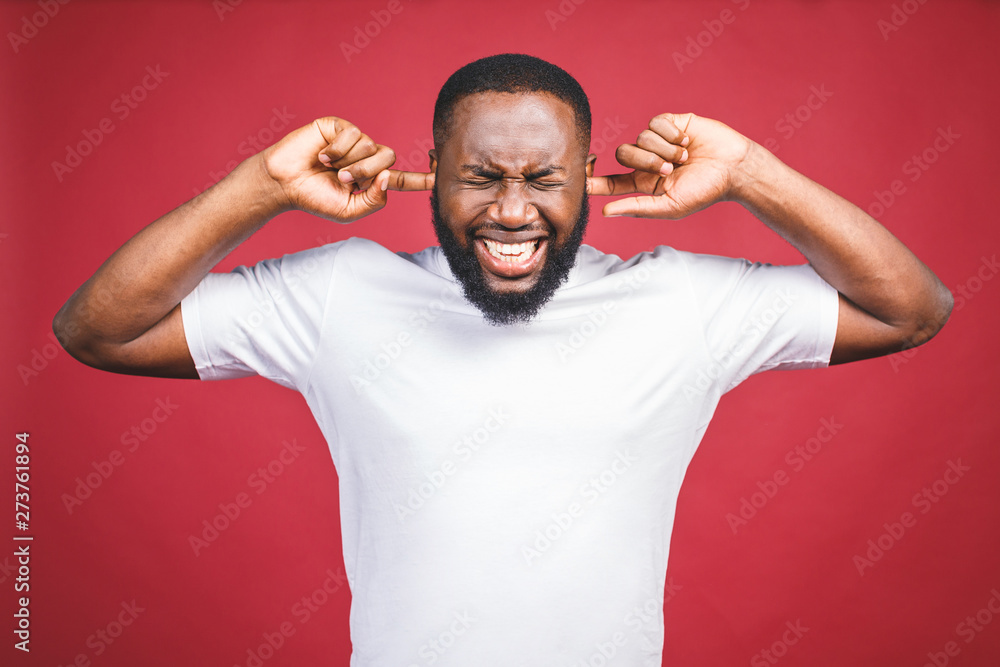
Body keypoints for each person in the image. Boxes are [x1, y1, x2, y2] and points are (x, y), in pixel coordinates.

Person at [53, 54, 952, 665]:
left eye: (544, 177)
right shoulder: (340, 294)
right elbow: (98, 328)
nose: (513, 210)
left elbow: (913, 310)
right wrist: (264, 187)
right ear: (431, 171)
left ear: (592, 175)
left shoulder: (681, 302)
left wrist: (752, 169)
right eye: (482, 175)